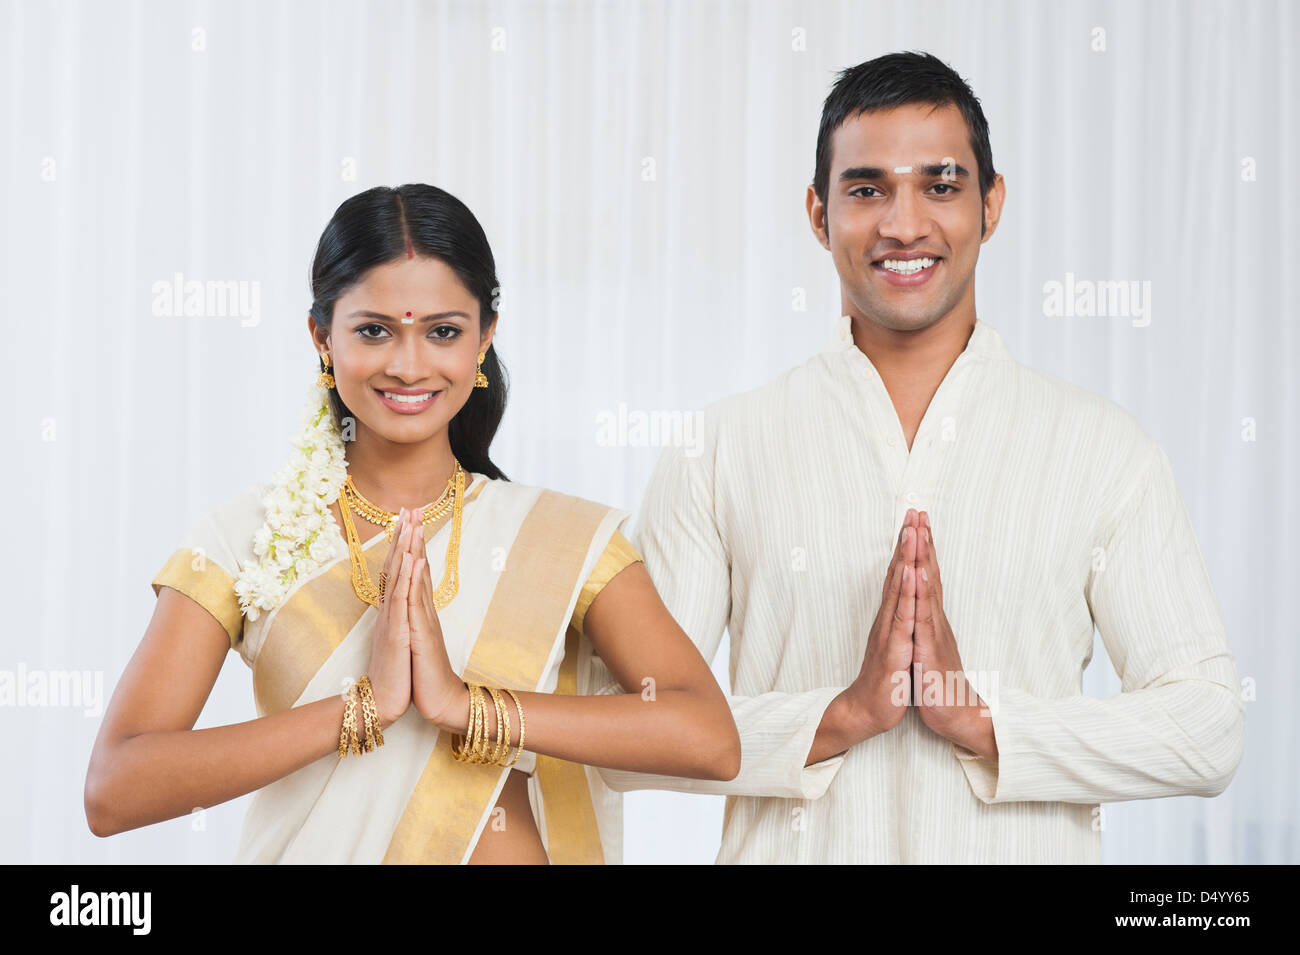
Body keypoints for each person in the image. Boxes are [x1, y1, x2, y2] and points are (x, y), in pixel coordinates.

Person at [596, 51, 1246, 863]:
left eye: (941, 186)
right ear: (817, 212)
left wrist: (980, 718)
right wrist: (839, 715)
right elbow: (622, 729)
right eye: (867, 189)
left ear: (992, 203)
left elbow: (1210, 727)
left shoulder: (1102, 448)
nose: (904, 224)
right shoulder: (721, 448)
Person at [83, 183, 741, 864]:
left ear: (485, 337)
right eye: (374, 330)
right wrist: (361, 709)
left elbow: (707, 737)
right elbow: (115, 786)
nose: (408, 364)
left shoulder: (560, 537)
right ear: (322, 336)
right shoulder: (247, 538)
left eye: (443, 331)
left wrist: (467, 706)